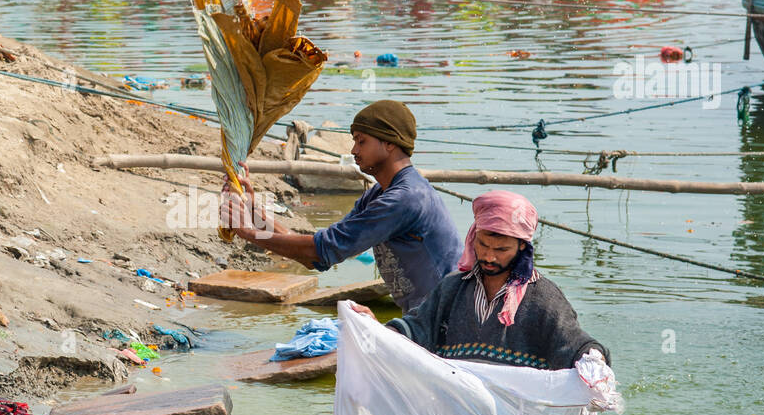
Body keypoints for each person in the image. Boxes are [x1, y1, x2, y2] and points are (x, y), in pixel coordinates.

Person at [220, 99, 462, 314]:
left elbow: (317, 251)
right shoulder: (380, 194)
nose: (353, 151)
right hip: (426, 317)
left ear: (389, 143)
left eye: (361, 141)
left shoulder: (405, 198)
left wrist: (247, 232)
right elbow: (319, 252)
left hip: (448, 317)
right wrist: (254, 212)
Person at [361, 189, 609, 371]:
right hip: (459, 413)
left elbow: (570, 342)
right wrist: (377, 330)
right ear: (473, 237)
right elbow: (418, 329)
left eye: (501, 250)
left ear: (522, 247)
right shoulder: (453, 287)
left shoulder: (544, 298)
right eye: (483, 244)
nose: (489, 256)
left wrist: (592, 359)